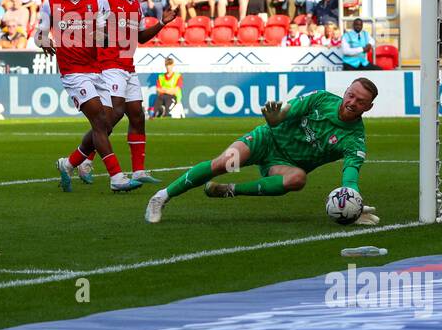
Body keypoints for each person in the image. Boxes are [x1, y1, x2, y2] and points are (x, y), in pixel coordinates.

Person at [145, 80, 380, 224]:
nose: (352, 102)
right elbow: (285, 111)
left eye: (360, 101)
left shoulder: (354, 140)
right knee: (223, 163)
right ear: (346, 90)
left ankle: (230, 190)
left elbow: (350, 176)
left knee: (297, 179)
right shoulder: (321, 99)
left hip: (281, 163)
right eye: (351, 95)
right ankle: (162, 196)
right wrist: (275, 116)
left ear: (368, 107)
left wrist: (352, 202)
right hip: (265, 140)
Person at [41, 0, 142, 193]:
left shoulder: (95, 4)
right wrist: (43, 39)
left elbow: (102, 32)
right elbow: (41, 31)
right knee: (99, 121)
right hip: (73, 73)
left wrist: (103, 36)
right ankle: (116, 177)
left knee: (107, 123)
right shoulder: (52, 4)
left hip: (97, 70)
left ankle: (69, 163)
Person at [86, 0, 178, 183]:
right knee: (114, 114)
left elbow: (141, 38)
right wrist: (108, 38)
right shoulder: (105, 1)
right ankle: (81, 159)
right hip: (108, 65)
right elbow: (90, 31)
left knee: (137, 116)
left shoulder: (137, 6)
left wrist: (162, 24)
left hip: (128, 66)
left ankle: (138, 171)